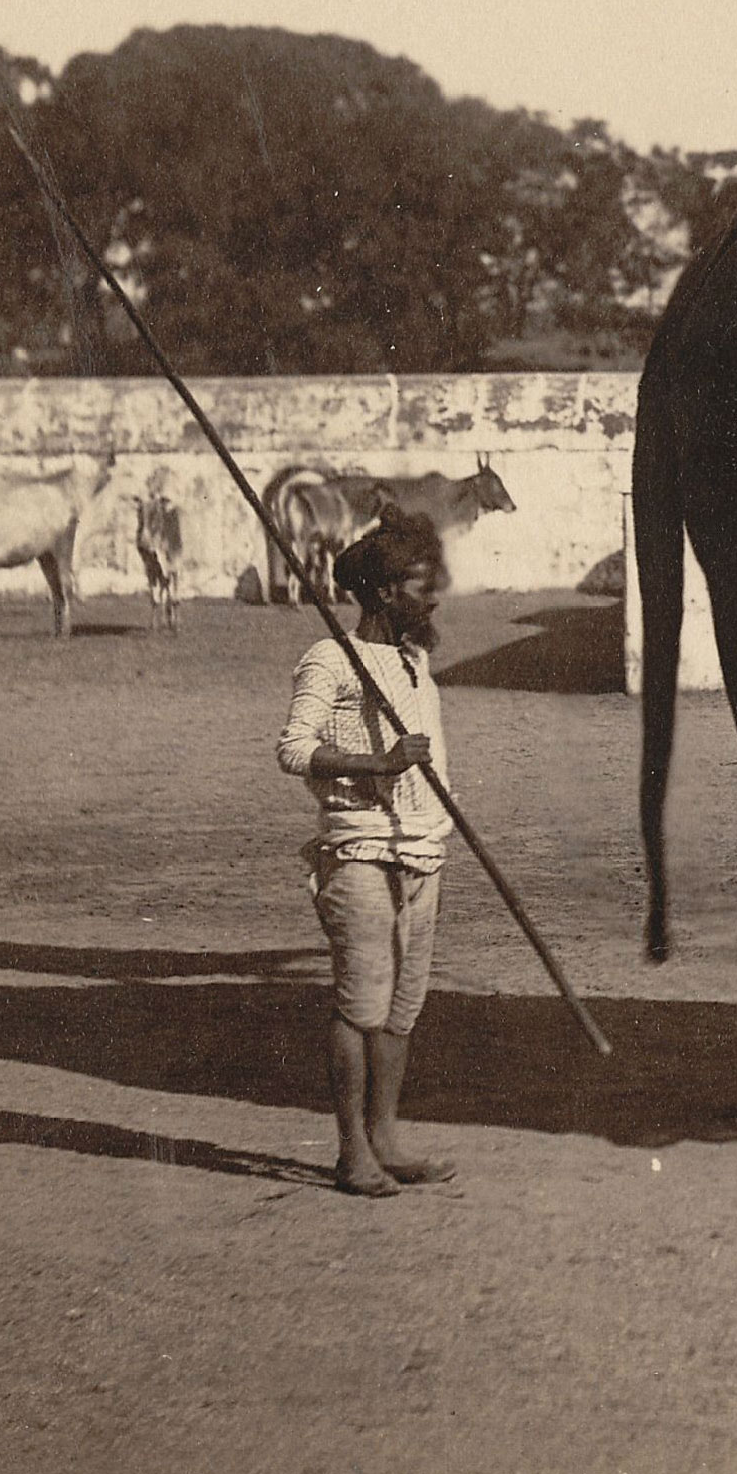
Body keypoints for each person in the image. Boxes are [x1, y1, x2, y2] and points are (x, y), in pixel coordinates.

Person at [277, 508, 459, 1194]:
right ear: (384, 592)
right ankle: (351, 1150)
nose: (433, 597)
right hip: (359, 851)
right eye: (419, 584)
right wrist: (377, 764)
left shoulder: (415, 660)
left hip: (422, 851)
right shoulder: (330, 659)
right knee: (362, 1005)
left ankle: (386, 1138)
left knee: (403, 1009)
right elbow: (293, 749)